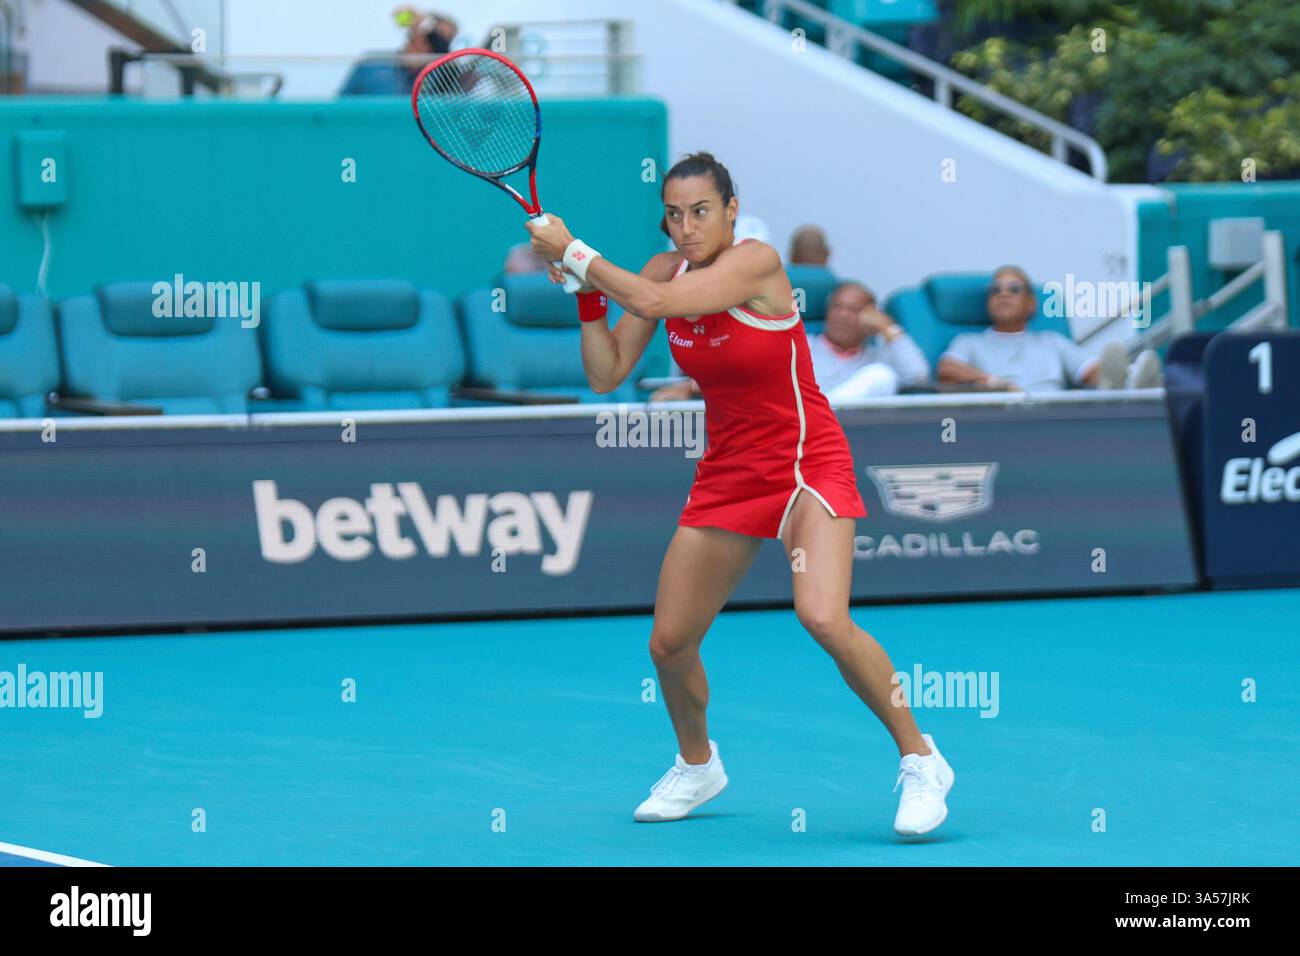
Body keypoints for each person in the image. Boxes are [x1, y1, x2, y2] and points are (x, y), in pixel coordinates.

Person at [525, 151, 955, 836]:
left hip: (806, 461)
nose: (687, 227)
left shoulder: (755, 263)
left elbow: (659, 304)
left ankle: (921, 757)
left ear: (730, 209)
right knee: (669, 644)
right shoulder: (662, 269)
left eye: (701, 211)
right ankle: (698, 766)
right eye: (674, 214)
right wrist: (583, 292)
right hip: (729, 469)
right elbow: (607, 373)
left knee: (822, 615)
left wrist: (574, 249)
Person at [938, 265, 1161, 392]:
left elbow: (1088, 371)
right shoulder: (969, 341)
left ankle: (1130, 383)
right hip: (997, 413)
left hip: (1051, 415)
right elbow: (947, 369)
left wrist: (1109, 376)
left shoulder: (1051, 341)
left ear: (1031, 303)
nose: (1003, 294)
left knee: (1104, 382)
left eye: (1014, 289)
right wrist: (995, 384)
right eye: (995, 290)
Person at [809, 281, 930, 398]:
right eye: (836, 307)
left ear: (870, 316)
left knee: (882, 376)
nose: (842, 315)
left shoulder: (877, 357)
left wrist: (886, 327)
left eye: (853, 309)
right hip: (806, 415)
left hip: (854, 418)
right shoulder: (803, 346)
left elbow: (917, 376)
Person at [338, 7, 458, 96]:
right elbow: (340, 104)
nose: (432, 41)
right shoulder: (372, 63)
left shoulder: (445, 76)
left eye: (442, 40)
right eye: (431, 33)